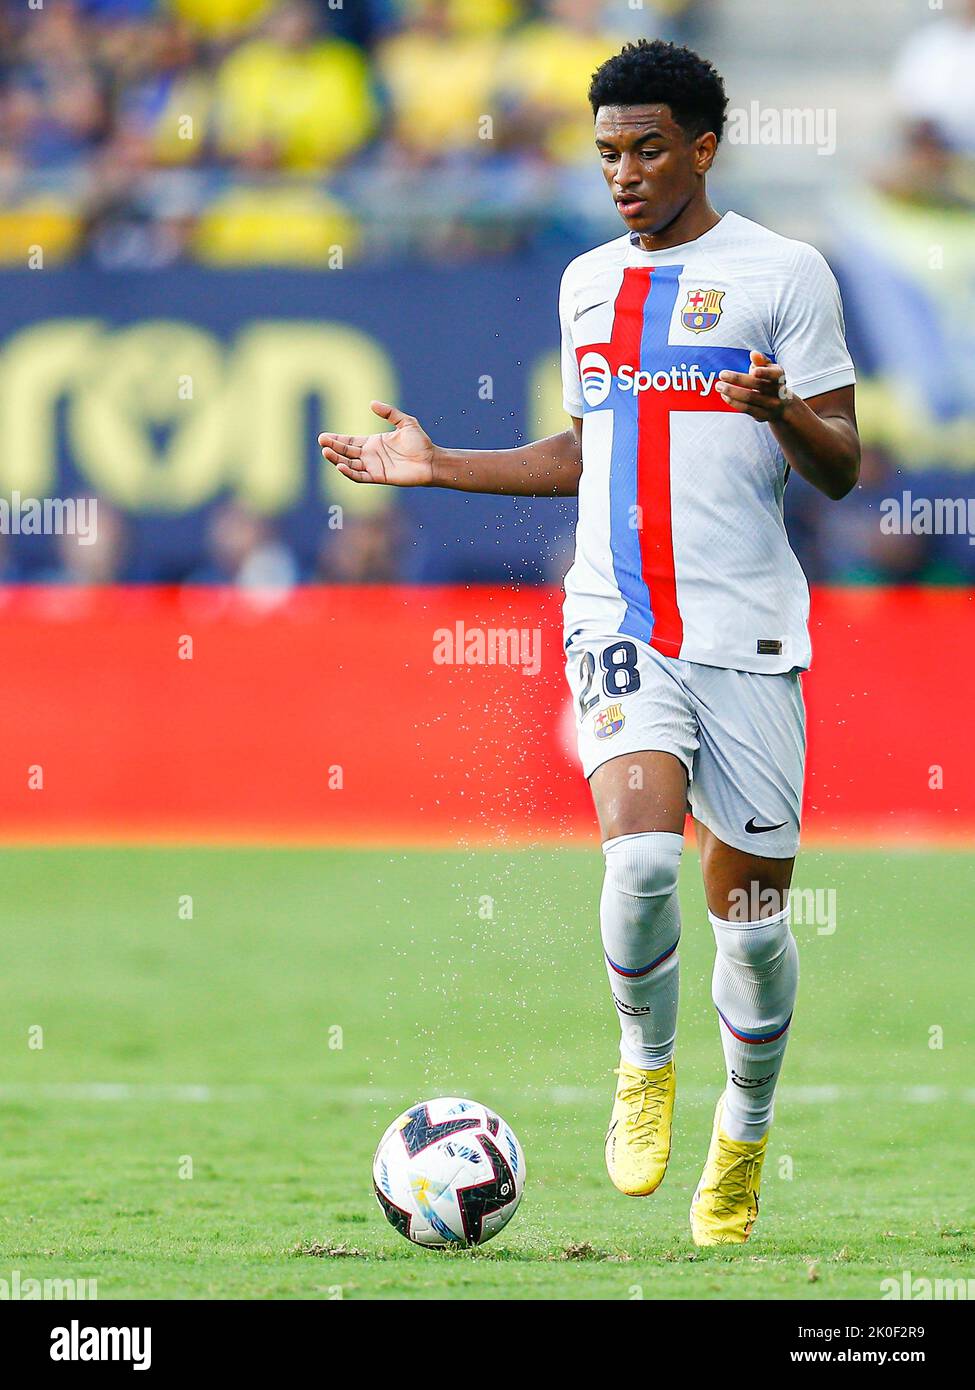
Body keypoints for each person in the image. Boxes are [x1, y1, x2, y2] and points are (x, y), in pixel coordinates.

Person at [318, 39, 859, 1247]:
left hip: (752, 630)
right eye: (608, 151)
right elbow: (587, 447)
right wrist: (435, 463)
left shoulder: (786, 274)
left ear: (703, 147)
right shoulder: (583, 284)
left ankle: (745, 1130)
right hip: (617, 614)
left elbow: (843, 460)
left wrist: (778, 412)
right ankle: (643, 1062)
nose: (623, 172)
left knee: (756, 929)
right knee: (641, 865)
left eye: (649, 148)